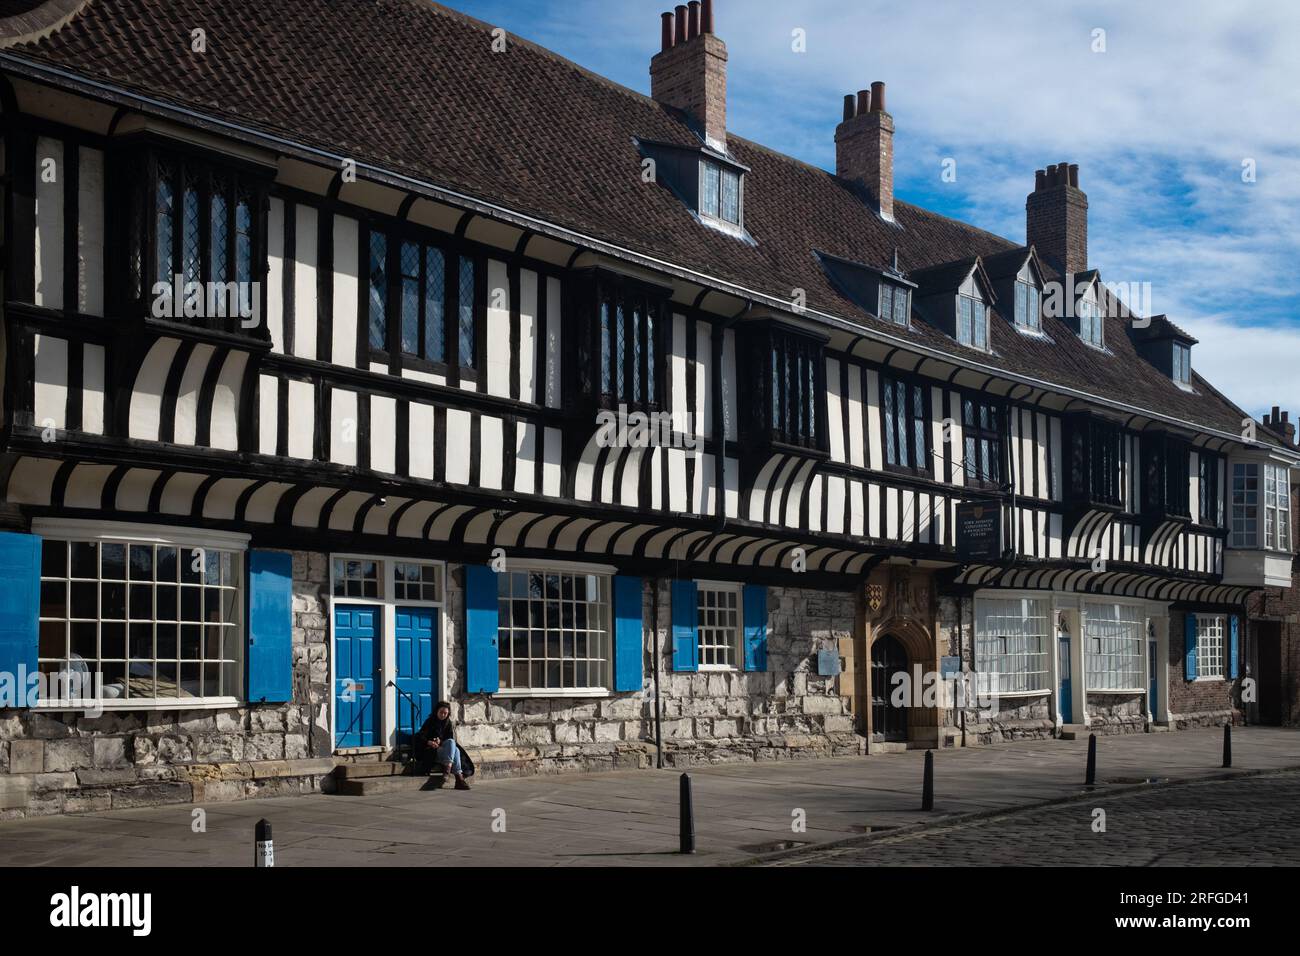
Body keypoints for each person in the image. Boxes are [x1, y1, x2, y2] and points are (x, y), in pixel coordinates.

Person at [414, 701, 473, 789]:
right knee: (455, 749)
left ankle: (448, 769)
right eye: (441, 712)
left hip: (445, 753)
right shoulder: (430, 721)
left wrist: (440, 741)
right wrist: (429, 742)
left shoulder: (448, 723)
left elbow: (448, 739)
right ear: (436, 711)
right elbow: (419, 736)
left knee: (453, 745)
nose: (443, 715)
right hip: (433, 751)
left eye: (445, 713)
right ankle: (458, 778)